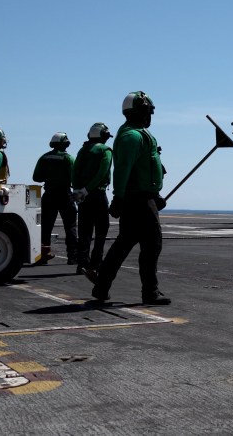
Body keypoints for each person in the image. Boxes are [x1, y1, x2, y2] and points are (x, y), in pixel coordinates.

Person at [87, 91, 170, 305]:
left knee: (124, 244)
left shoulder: (136, 134)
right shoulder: (131, 136)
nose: (150, 116)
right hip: (138, 200)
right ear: (140, 112)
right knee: (152, 245)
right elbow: (123, 170)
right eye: (148, 112)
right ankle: (150, 292)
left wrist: (155, 194)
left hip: (142, 197)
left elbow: (142, 168)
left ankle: (101, 287)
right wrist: (119, 198)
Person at [73, 122, 113, 274]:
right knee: (102, 229)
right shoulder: (106, 150)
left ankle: (82, 263)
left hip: (82, 196)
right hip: (98, 194)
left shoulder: (83, 150)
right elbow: (103, 172)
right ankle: (96, 262)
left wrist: (78, 190)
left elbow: (75, 171)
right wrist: (89, 189)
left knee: (84, 231)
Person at [33, 132, 78, 265]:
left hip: (49, 195)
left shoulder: (44, 157)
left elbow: (36, 177)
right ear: (66, 144)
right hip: (65, 195)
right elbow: (74, 178)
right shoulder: (69, 159)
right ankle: (72, 257)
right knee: (70, 226)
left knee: (46, 227)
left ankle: (43, 256)